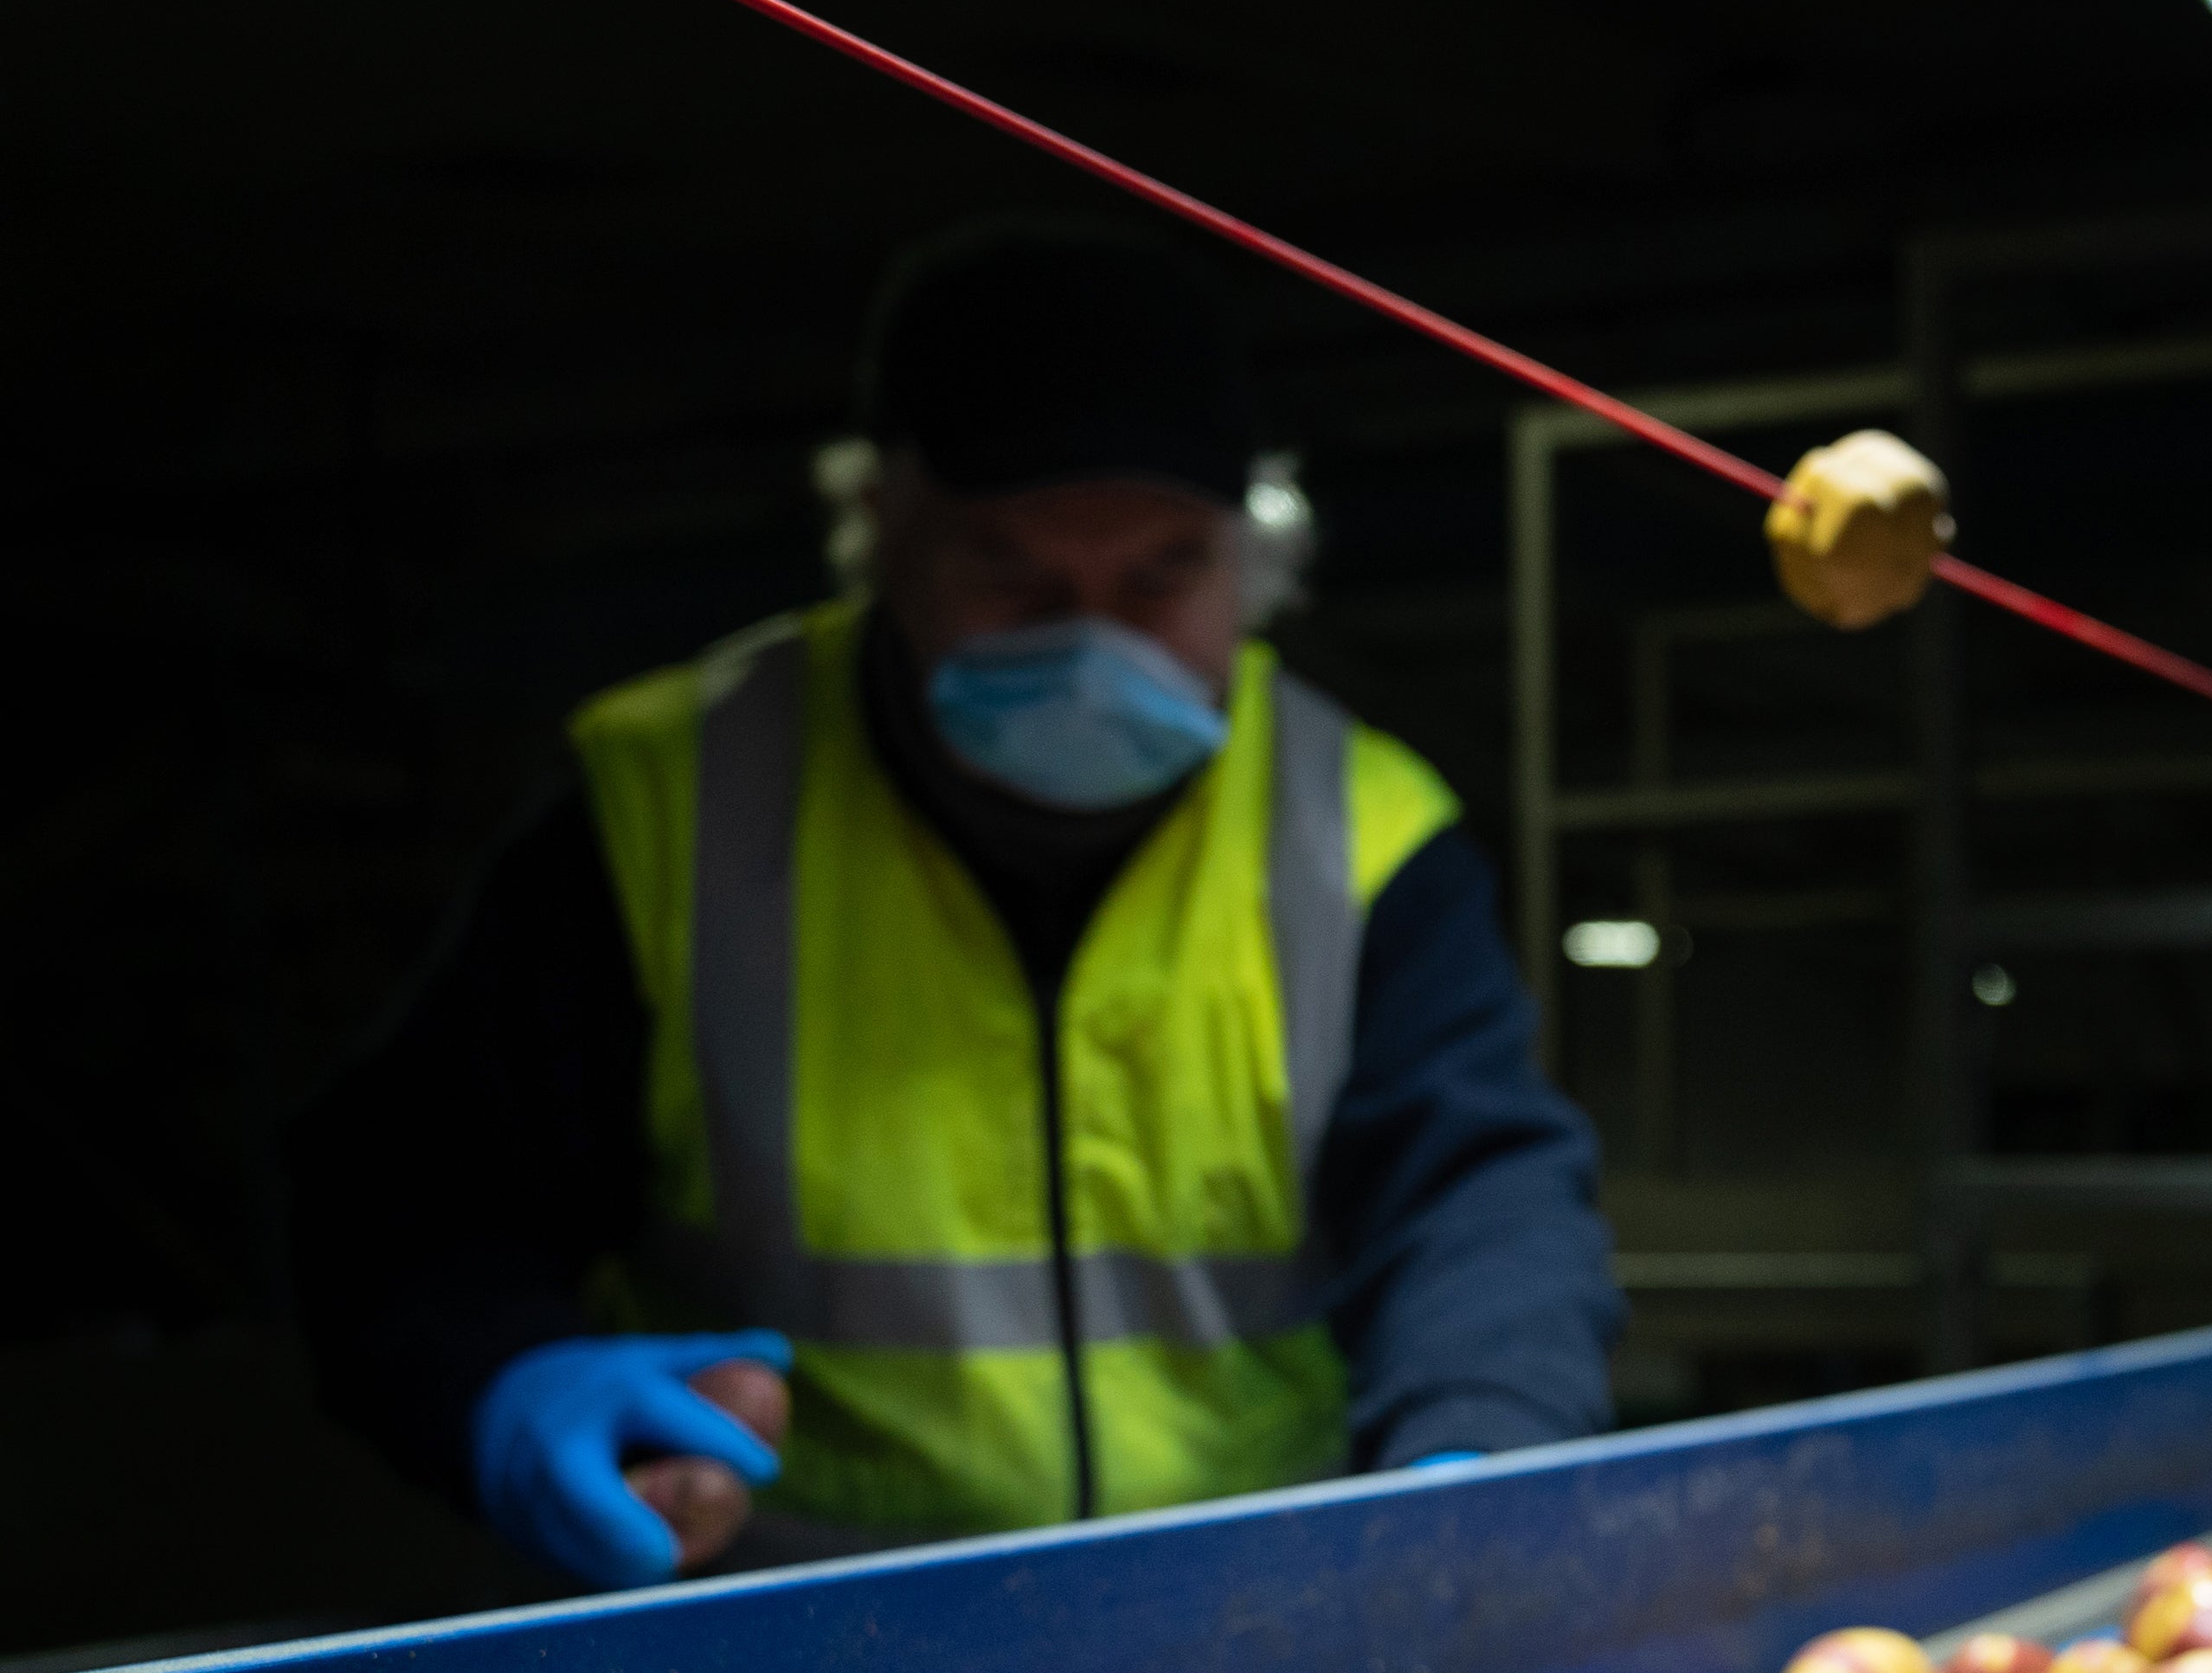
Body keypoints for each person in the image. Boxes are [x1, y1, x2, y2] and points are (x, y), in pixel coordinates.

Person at [293, 220, 1620, 1585]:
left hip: (1250, 1623)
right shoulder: (661, 810)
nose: (1091, 639)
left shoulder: (1367, 831)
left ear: (1254, 559)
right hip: (793, 1645)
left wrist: (1478, 1453)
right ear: (882, 531)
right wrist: (501, 1383)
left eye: (1162, 572)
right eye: (1012, 571)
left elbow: (1480, 1195)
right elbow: (399, 1207)